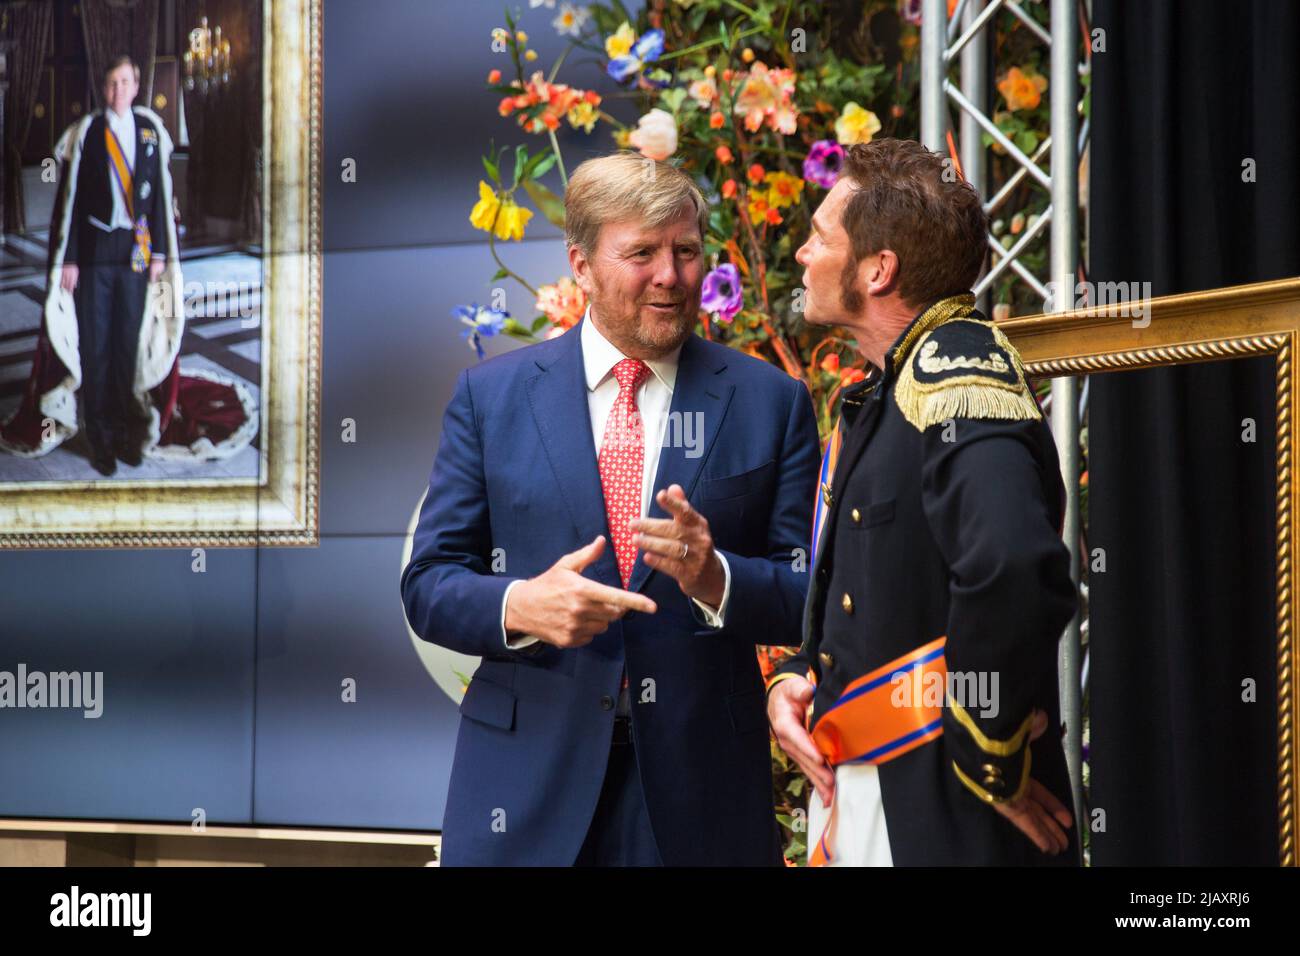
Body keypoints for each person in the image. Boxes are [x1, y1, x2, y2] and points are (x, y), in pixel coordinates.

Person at [402, 152, 820, 866]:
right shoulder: (491, 399)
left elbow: (807, 594)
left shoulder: (769, 403)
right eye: (643, 253)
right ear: (582, 264)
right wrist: (521, 605)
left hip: (700, 800)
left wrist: (714, 576)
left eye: (686, 251)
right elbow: (430, 584)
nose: (670, 275)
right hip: (525, 791)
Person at [766, 138, 1079, 866]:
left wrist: (988, 750)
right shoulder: (895, 386)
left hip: (945, 814)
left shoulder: (957, 376)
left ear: (879, 270)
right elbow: (868, 594)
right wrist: (798, 675)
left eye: (819, 237)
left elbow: (1015, 565)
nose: (805, 257)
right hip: (874, 795)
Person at [0, 54, 257, 471]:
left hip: (136, 258)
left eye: (125, 82)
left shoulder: (151, 132)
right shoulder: (86, 133)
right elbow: (71, 205)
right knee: (97, 348)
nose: (118, 90)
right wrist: (69, 259)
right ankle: (99, 438)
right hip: (96, 258)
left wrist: (158, 253)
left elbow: (157, 198)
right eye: (111, 84)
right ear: (104, 90)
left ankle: (123, 433)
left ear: (136, 86)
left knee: (125, 347)